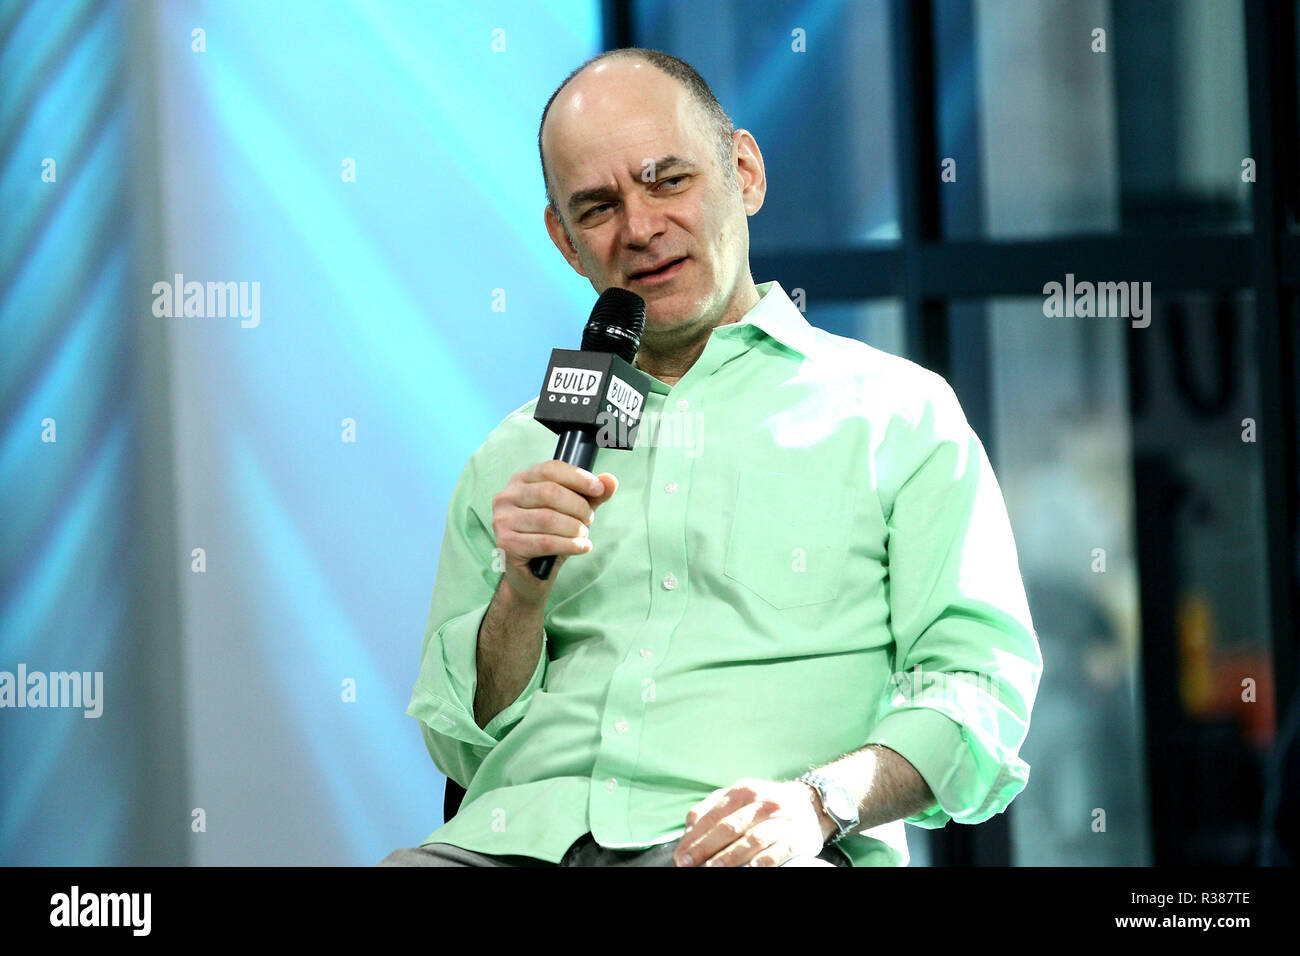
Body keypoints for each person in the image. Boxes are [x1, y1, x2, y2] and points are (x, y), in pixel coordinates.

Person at [378, 48, 1042, 868]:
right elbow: (463, 754)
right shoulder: (517, 456)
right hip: (511, 847)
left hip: (737, 848)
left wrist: (818, 803)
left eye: (667, 180)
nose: (640, 229)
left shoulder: (897, 415)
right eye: (597, 207)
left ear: (744, 173)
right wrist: (519, 596)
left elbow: (978, 689)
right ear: (563, 239)